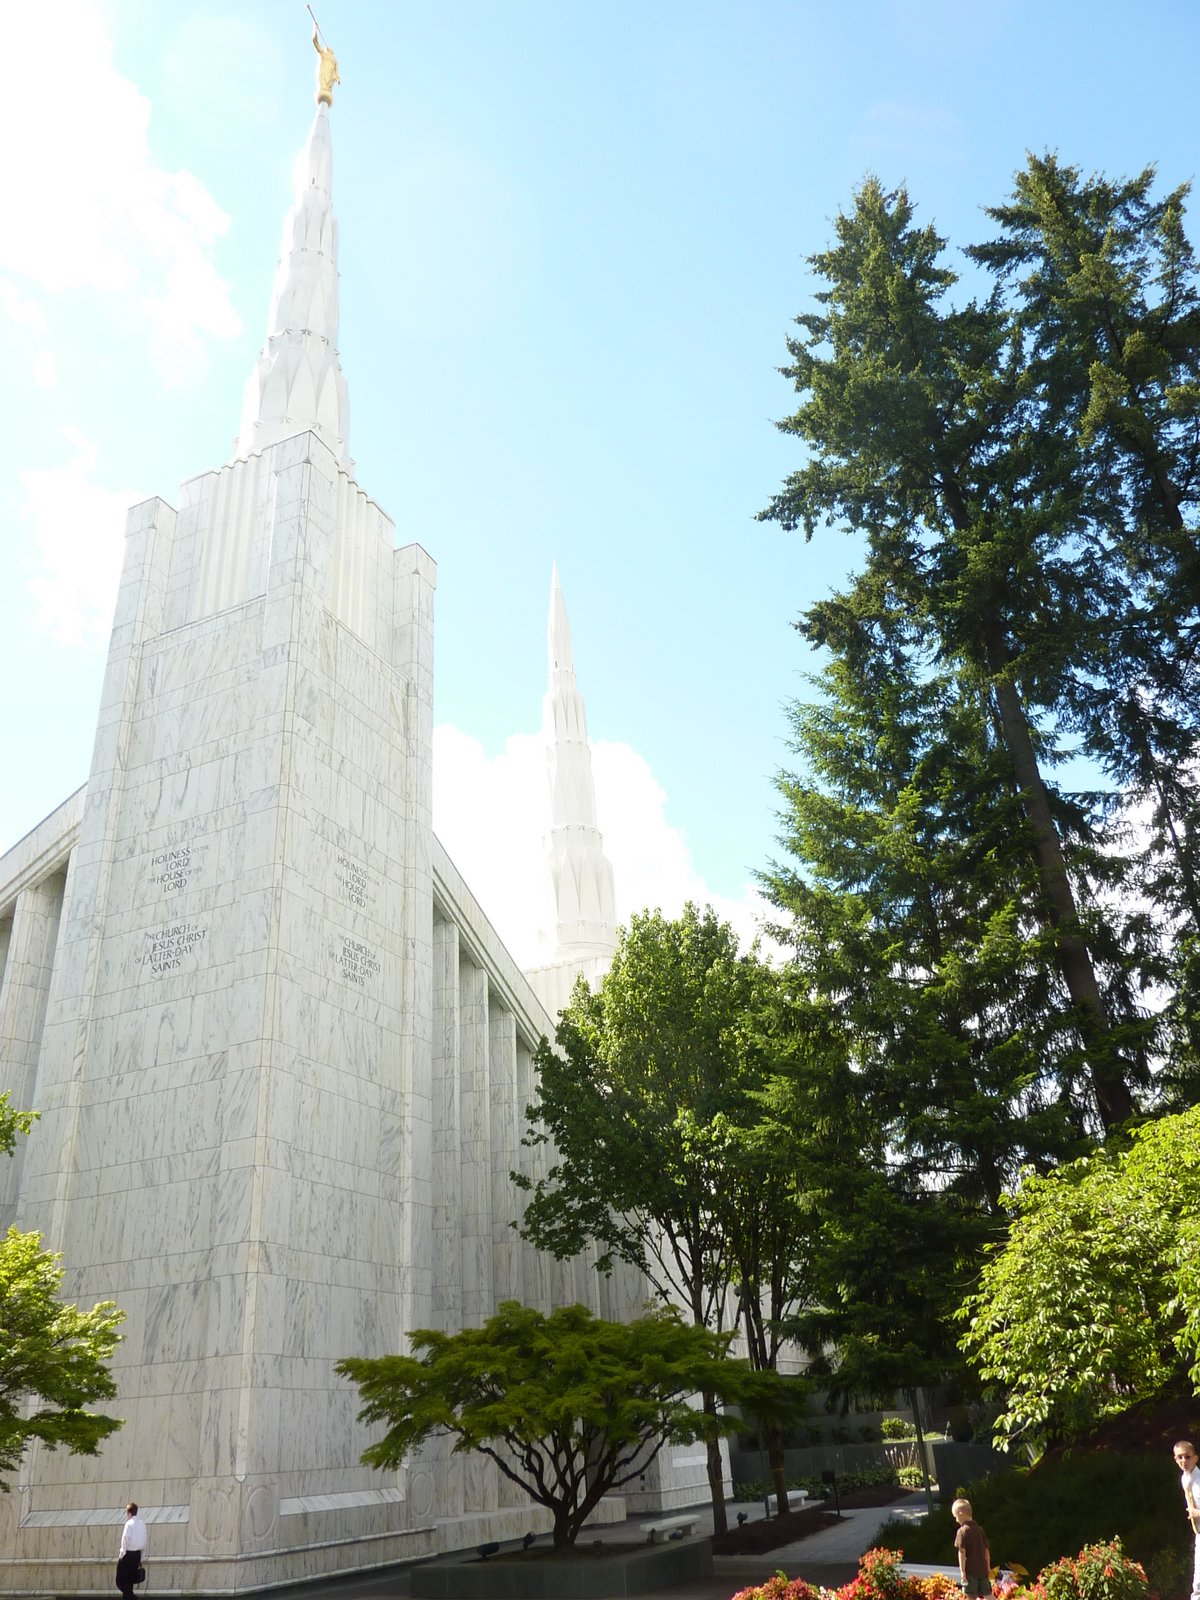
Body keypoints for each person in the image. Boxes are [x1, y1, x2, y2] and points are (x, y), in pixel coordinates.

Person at [1173, 1440, 1200, 1600]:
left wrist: (1198, 1513)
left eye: (1187, 1457)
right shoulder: (1185, 1478)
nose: (1184, 1460)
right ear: (1175, 1459)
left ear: (1195, 1458)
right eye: (1180, 1457)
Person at [952, 1496, 991, 1598]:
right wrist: (988, 1567)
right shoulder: (980, 1530)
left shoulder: (962, 1531)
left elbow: (962, 1552)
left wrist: (962, 1571)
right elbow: (986, 1550)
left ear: (961, 1514)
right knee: (988, 1595)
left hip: (971, 1572)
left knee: (971, 1596)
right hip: (983, 1570)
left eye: (955, 1516)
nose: (956, 1520)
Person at [115, 1502, 147, 1600]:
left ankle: (131, 1597)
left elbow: (125, 1539)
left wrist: (122, 1554)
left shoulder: (129, 1524)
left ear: (129, 1513)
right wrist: (141, 1557)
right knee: (129, 1581)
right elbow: (144, 1540)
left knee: (120, 1580)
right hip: (137, 1554)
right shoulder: (142, 1524)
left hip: (128, 1554)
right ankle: (129, 1596)